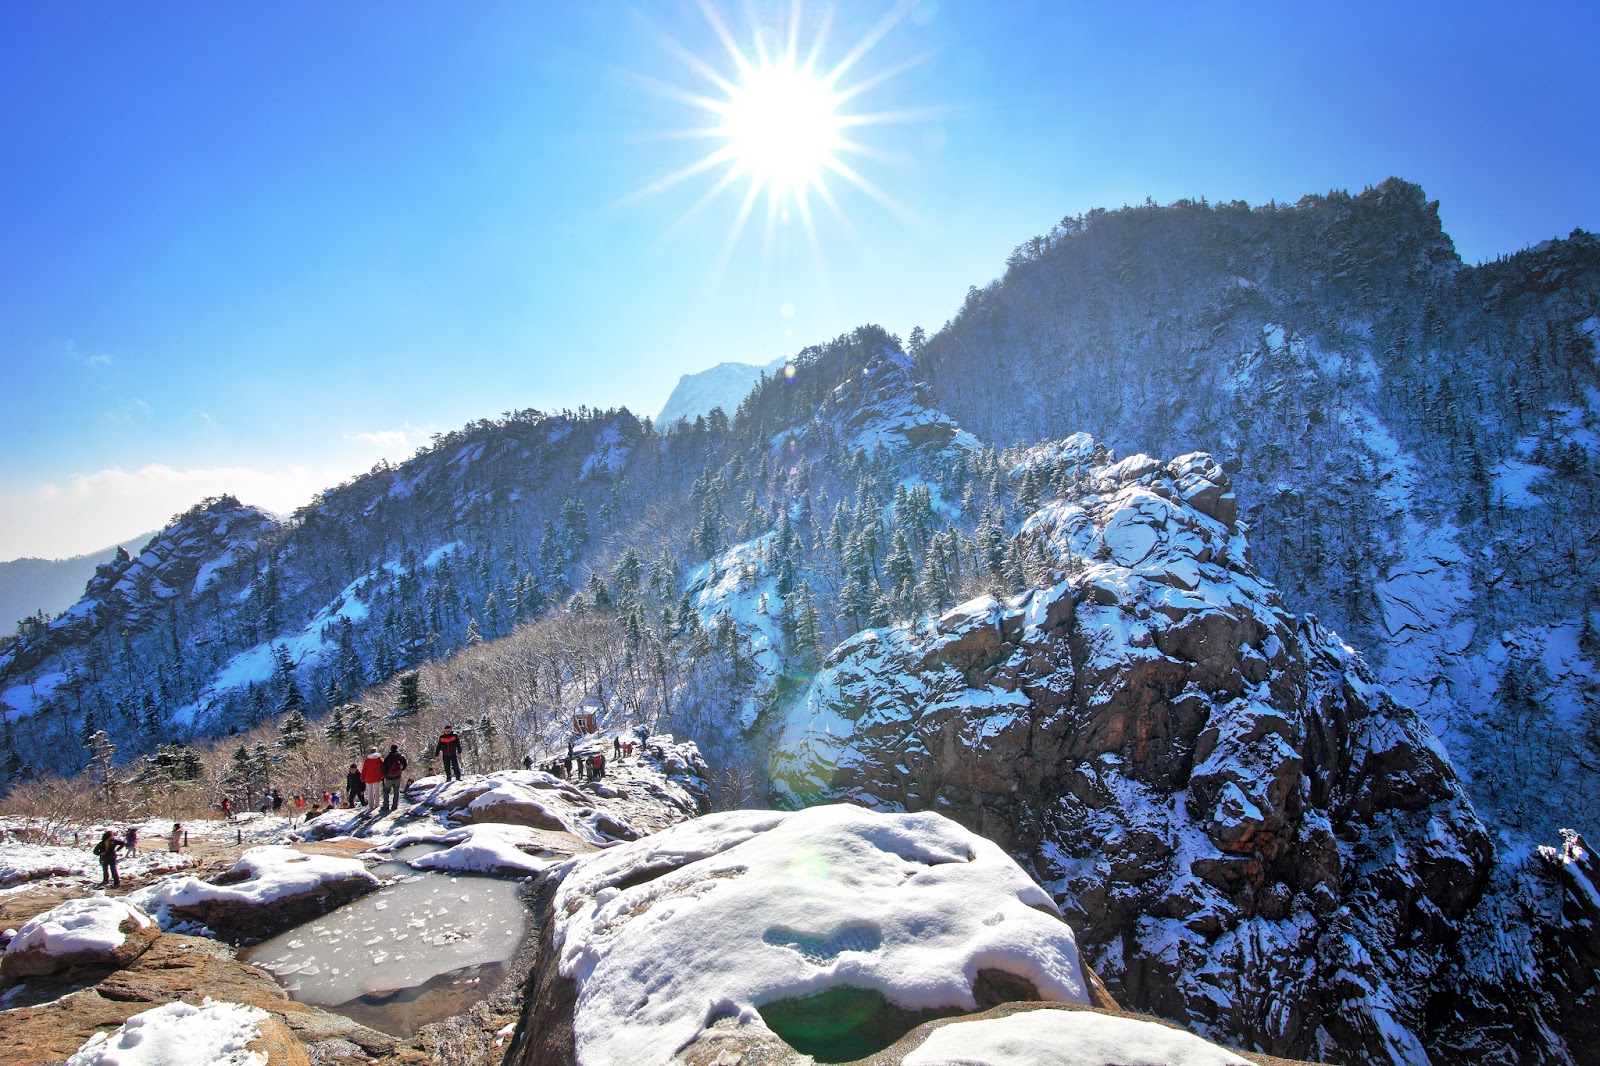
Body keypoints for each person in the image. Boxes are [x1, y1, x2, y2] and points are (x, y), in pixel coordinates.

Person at [380, 744, 408, 811]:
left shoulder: (389, 757)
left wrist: (385, 774)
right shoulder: (400, 756)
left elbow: (383, 766)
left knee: (386, 791)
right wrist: (400, 771)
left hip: (389, 777)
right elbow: (405, 764)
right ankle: (395, 806)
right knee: (396, 790)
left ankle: (386, 805)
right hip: (397, 776)